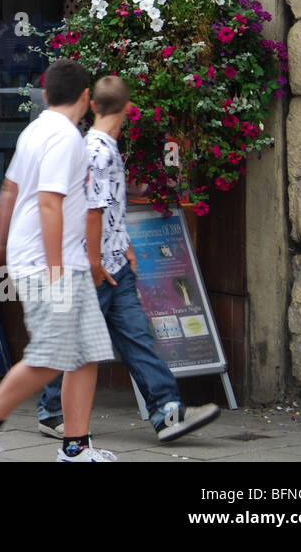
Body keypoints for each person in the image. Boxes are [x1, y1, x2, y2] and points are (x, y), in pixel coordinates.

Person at [36, 75, 220, 443]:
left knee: (136, 336)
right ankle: (52, 410)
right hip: (99, 267)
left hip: (113, 262)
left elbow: (108, 211)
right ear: (129, 109)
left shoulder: (100, 147)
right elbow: (92, 211)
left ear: (93, 105)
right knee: (76, 342)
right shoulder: (99, 152)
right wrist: (93, 263)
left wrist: (125, 246)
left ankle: (166, 411)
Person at [0, 58, 116, 462]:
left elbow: (9, 188)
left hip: (59, 263)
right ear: (85, 97)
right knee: (51, 355)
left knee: (84, 352)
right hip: (54, 265)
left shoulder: (36, 130)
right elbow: (49, 203)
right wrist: (56, 268)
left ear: (45, 95)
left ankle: (76, 448)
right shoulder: (64, 136)